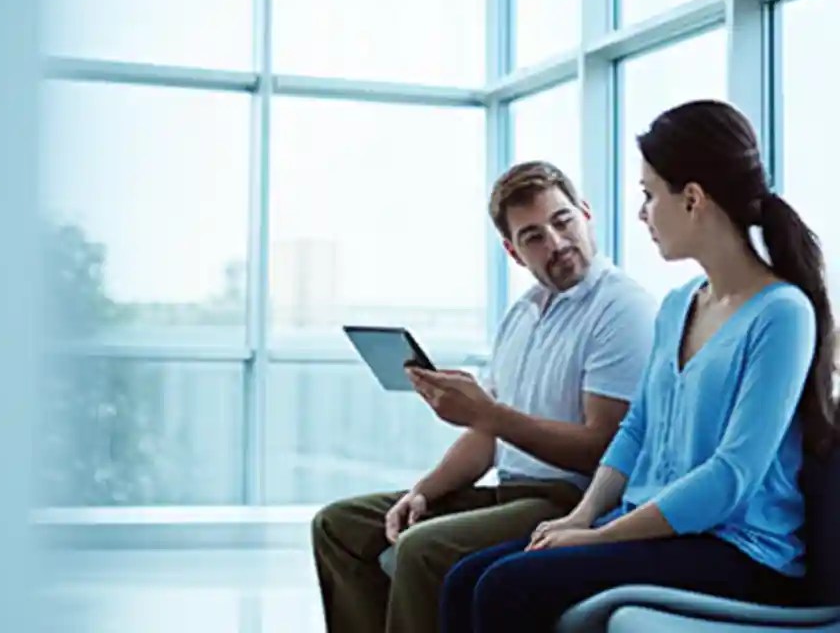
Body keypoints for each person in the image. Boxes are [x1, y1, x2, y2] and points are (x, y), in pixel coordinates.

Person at [439, 100, 839, 633]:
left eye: (649, 195)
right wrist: (581, 516)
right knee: (464, 577)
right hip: (657, 532)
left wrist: (604, 537)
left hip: (738, 549)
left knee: (506, 587)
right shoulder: (679, 305)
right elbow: (636, 430)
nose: (641, 212)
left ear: (692, 199)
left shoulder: (782, 313)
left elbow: (730, 477)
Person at [312, 161, 656, 633]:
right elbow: (486, 436)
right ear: (513, 252)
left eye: (562, 221)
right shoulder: (523, 313)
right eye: (534, 236)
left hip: (568, 500)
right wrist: (422, 492)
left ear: (586, 213)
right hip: (506, 492)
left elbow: (602, 447)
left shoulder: (622, 308)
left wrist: (489, 413)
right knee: (339, 526)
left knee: (421, 549)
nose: (556, 243)